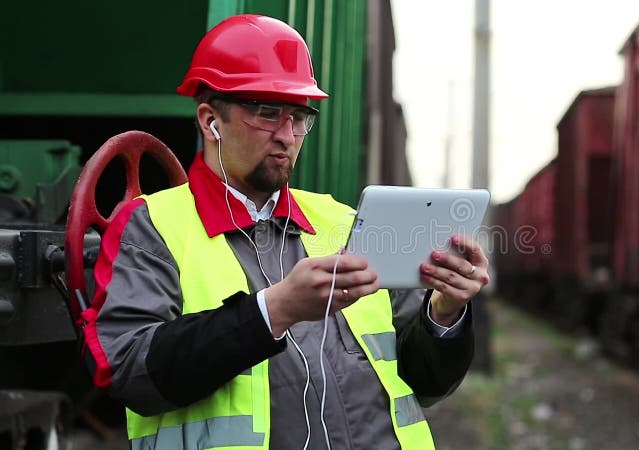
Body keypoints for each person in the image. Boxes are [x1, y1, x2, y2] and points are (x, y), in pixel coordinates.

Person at [85, 14, 490, 450]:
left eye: (299, 117)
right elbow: (129, 371)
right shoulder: (152, 227)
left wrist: (444, 314)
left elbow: (424, 383)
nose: (287, 135)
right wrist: (271, 311)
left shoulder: (343, 222)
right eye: (267, 113)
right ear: (209, 120)